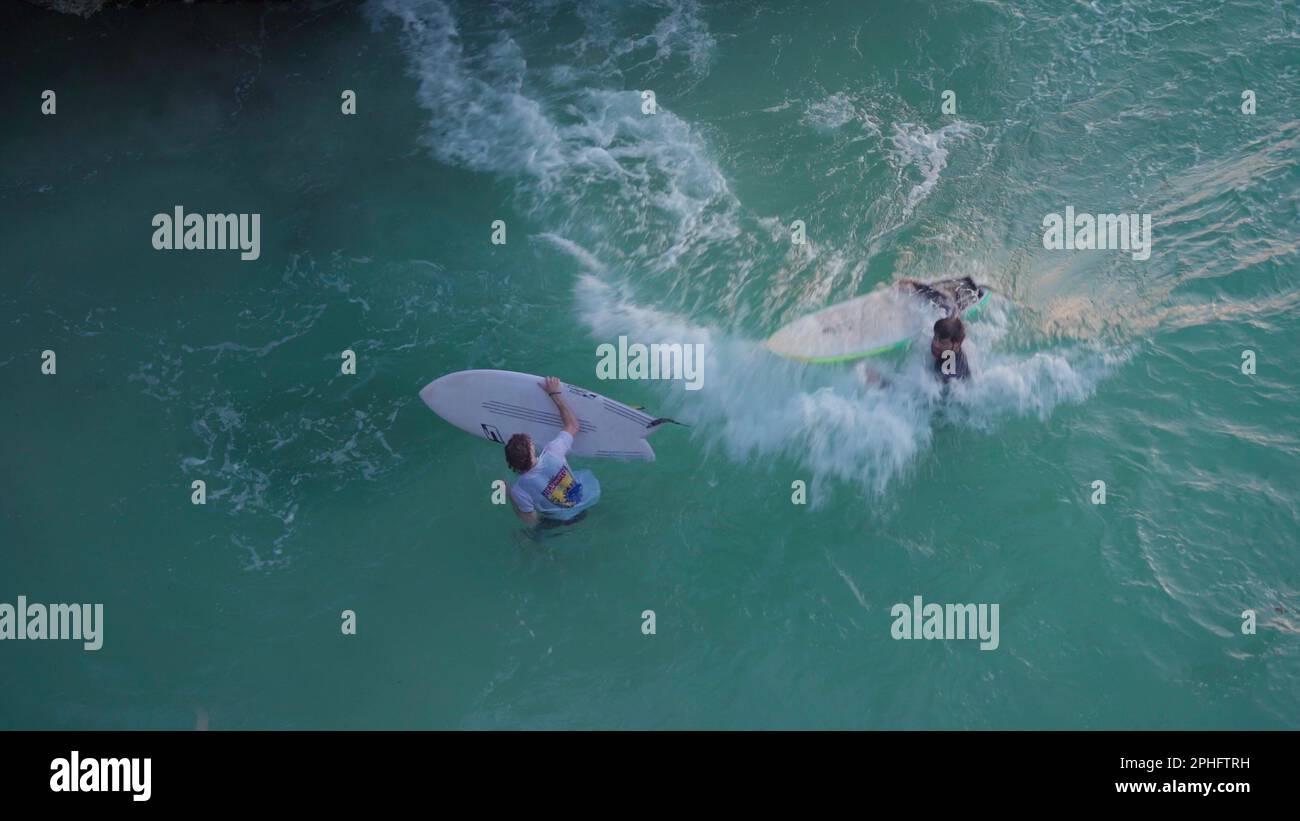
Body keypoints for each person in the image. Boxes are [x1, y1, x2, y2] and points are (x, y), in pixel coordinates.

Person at [504, 376, 601, 527]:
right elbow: (573, 425)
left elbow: (531, 520)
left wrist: (509, 494)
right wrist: (555, 394)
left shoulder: (519, 490)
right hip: (586, 500)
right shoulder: (554, 451)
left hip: (561, 520)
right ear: (532, 450)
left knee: (526, 536)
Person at [898, 276, 982, 383]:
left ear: (956, 345)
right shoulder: (950, 342)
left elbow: (911, 390)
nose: (935, 344)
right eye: (935, 338)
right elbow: (947, 302)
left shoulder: (949, 371)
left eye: (941, 342)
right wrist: (915, 285)